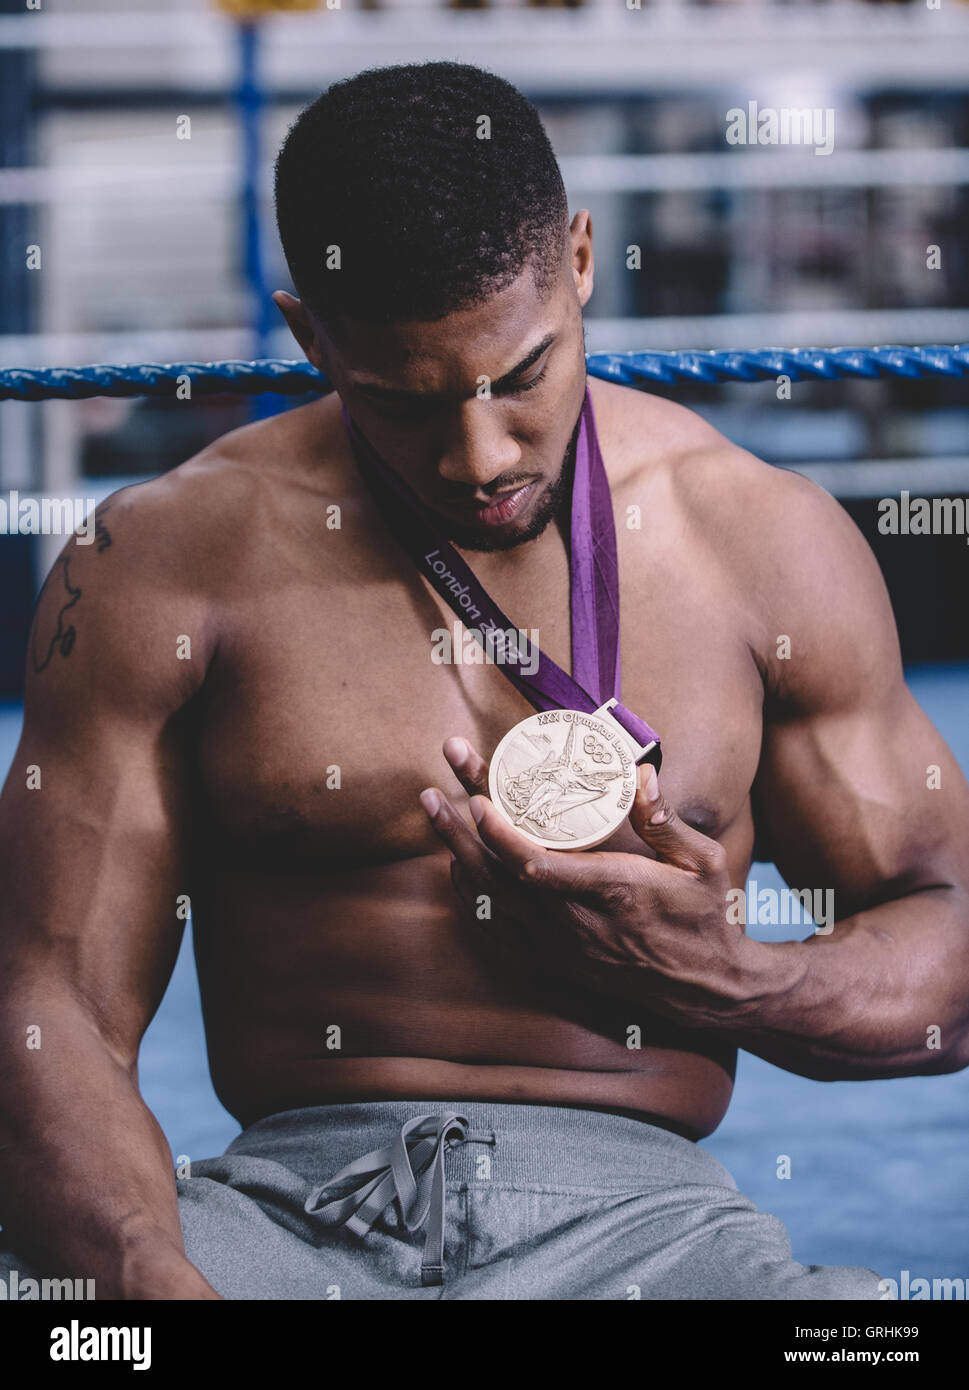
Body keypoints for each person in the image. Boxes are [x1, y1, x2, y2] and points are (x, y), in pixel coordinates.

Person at [1, 61, 967, 1301]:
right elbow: (46, 998)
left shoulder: (764, 543)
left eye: (520, 378)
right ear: (310, 335)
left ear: (578, 261)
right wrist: (146, 1272)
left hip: (649, 1232)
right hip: (283, 1221)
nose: (478, 458)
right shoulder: (163, 563)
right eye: (402, 402)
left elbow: (947, 939)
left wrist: (740, 974)